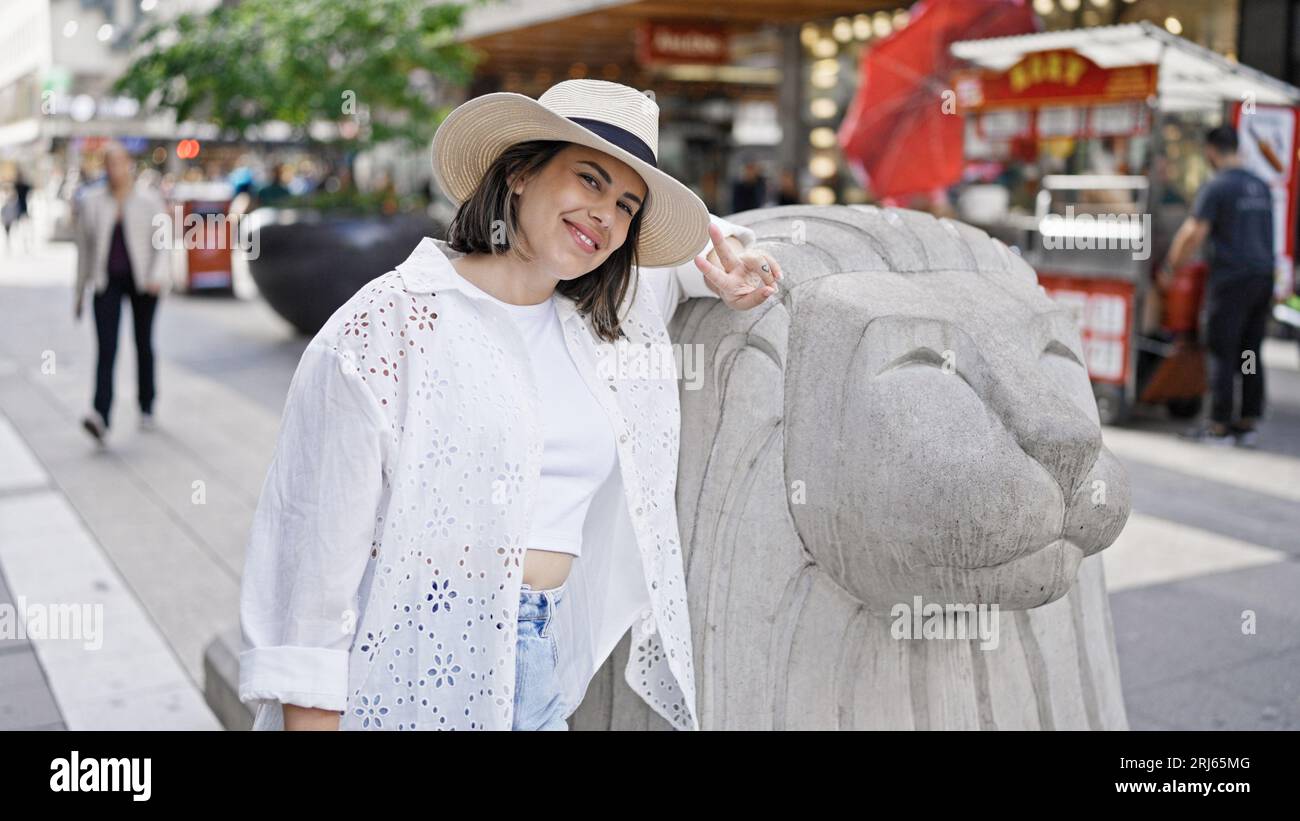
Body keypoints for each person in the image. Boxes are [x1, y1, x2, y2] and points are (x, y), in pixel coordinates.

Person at [237, 79, 784, 731]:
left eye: (627, 204)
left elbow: (694, 251)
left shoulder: (609, 323)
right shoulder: (390, 322)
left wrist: (737, 256)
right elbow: (318, 553)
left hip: (539, 669)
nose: (605, 214)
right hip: (408, 662)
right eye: (588, 179)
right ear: (521, 171)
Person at [1163, 124, 1275, 447]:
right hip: (1261, 278)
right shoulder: (1261, 186)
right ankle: (1247, 421)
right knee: (1250, 351)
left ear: (1211, 150)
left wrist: (1172, 266)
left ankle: (1218, 426)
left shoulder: (1218, 187)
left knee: (1222, 351)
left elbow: (1193, 233)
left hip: (1231, 281)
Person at [73, 142, 171, 445]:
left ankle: (146, 404)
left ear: (129, 164)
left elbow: (163, 241)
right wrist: (78, 294)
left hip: (143, 283)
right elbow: (84, 251)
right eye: (109, 163)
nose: (114, 169)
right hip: (106, 283)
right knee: (106, 348)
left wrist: (157, 276)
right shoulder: (91, 201)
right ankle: (100, 414)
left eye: (119, 162)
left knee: (144, 344)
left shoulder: (149, 199)